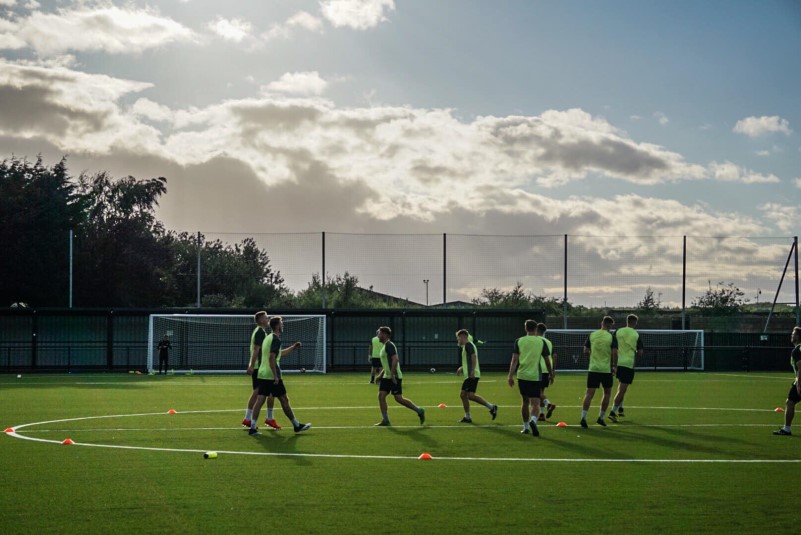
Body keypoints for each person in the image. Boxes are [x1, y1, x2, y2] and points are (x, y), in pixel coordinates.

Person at [250, 316, 310, 435]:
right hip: (271, 375)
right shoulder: (276, 339)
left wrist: (293, 348)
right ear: (277, 326)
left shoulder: (268, 338)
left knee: (260, 399)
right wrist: (275, 375)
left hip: (263, 373)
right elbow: (272, 357)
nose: (283, 325)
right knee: (284, 399)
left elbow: (278, 354)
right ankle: (296, 425)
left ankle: (252, 428)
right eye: (281, 323)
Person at [508, 319, 552, 437]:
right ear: (536, 329)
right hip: (535, 376)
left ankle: (526, 427)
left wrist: (510, 375)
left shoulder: (519, 341)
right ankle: (533, 420)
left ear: (526, 328)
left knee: (525, 401)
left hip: (522, 375)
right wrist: (551, 373)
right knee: (536, 403)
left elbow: (514, 360)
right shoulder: (541, 342)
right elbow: (547, 360)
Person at [374, 326, 426, 426]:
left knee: (398, 398)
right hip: (386, 376)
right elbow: (387, 363)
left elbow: (395, 359)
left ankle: (419, 411)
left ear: (384, 335)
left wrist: (393, 374)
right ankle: (385, 420)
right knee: (381, 396)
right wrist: (380, 375)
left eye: (379, 333)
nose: (378, 335)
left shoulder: (389, 345)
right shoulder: (385, 346)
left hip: (394, 376)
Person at [580, 316, 618, 428]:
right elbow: (614, 353)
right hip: (606, 370)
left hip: (593, 369)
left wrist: (592, 357)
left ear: (602, 323)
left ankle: (583, 417)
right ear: (610, 326)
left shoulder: (592, 335)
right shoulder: (611, 337)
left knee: (589, 394)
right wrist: (614, 366)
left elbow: (585, 351)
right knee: (607, 393)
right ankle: (601, 418)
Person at [243, 311, 278, 430]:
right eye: (266, 318)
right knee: (266, 392)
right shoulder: (260, 332)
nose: (268, 319)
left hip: (259, 367)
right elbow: (256, 350)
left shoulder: (259, 331)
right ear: (261, 320)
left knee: (259, 392)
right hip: (260, 368)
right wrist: (252, 366)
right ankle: (267, 418)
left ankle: (249, 419)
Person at [455, 329, 498, 423]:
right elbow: (469, 359)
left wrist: (472, 371)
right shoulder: (467, 346)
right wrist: (462, 368)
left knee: (464, 394)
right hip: (470, 374)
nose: (458, 340)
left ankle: (468, 417)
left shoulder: (468, 345)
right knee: (469, 395)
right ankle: (491, 407)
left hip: (471, 374)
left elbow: (473, 357)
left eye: (458, 338)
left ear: (463, 337)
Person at [609, 314, 643, 422]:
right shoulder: (636, 334)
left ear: (627, 321)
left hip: (618, 363)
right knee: (622, 390)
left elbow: (613, 347)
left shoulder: (618, 331)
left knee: (621, 387)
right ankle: (613, 411)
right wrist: (636, 352)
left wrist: (613, 364)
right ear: (635, 323)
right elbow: (640, 353)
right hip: (628, 364)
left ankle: (620, 408)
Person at [773, 326, 801, 436]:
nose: (791, 335)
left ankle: (787, 429)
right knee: (790, 402)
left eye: (793, 334)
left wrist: (799, 384)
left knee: (790, 402)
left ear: (798, 337)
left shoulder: (797, 350)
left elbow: (800, 367)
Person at [533, 323, 557, 421]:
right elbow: (554, 356)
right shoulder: (549, 342)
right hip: (547, 369)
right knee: (541, 392)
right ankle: (542, 414)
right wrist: (553, 370)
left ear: (536, 330)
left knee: (536, 393)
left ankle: (549, 404)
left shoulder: (535, 341)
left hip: (537, 369)